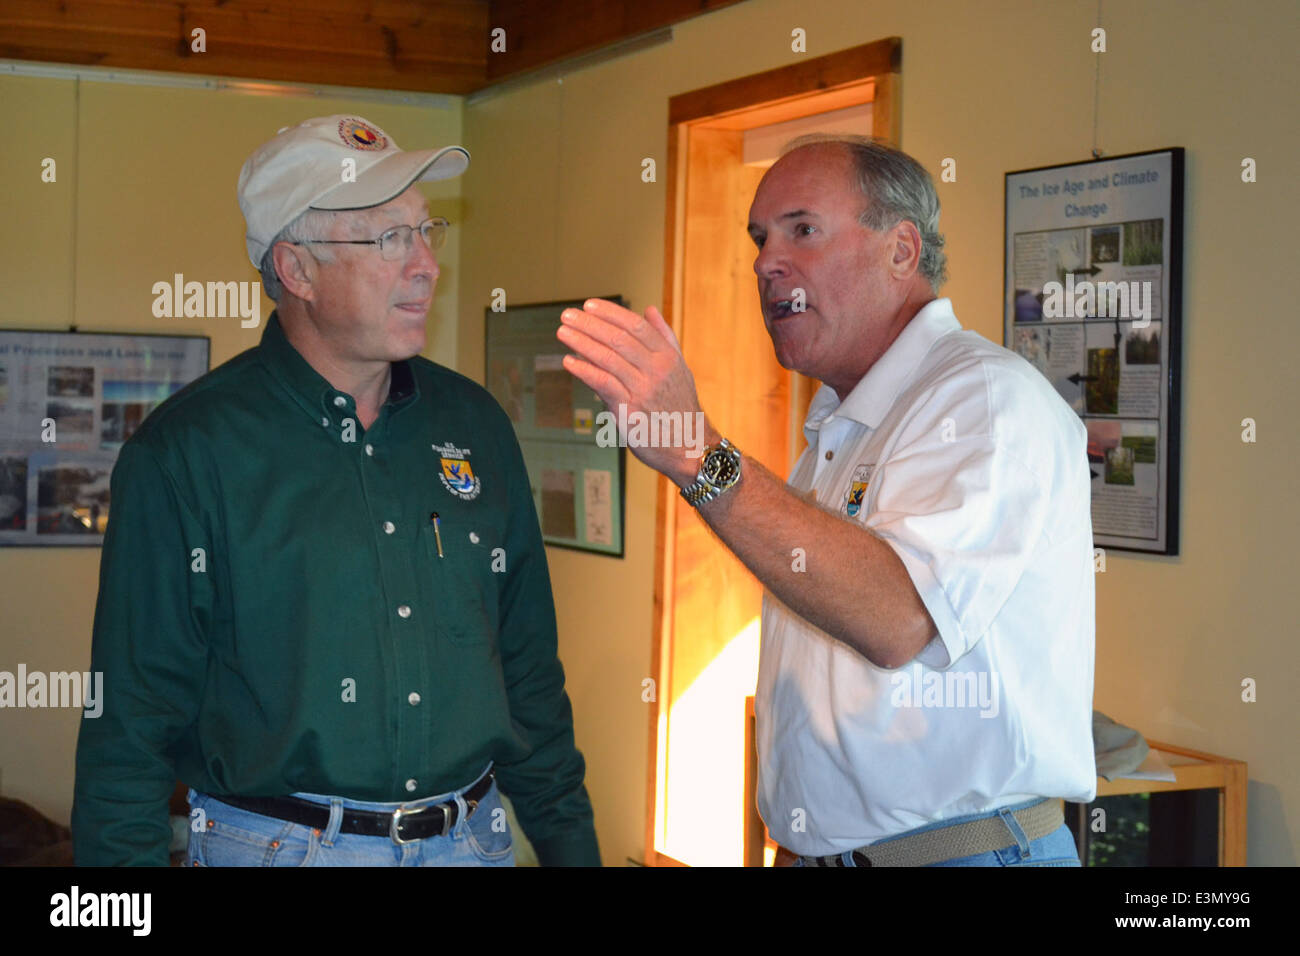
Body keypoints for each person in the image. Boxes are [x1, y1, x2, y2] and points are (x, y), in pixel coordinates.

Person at [73, 115, 600, 867]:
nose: (425, 265)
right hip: (281, 849)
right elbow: (127, 730)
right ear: (297, 269)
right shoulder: (186, 453)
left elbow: (530, 677)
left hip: (474, 843)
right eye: (389, 239)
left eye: (426, 232)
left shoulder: (476, 425)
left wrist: (572, 850)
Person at [558, 134, 1095, 867]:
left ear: (902, 251)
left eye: (802, 230)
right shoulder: (839, 429)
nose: (765, 262)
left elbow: (900, 616)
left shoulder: (984, 398)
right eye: (759, 238)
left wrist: (694, 453)